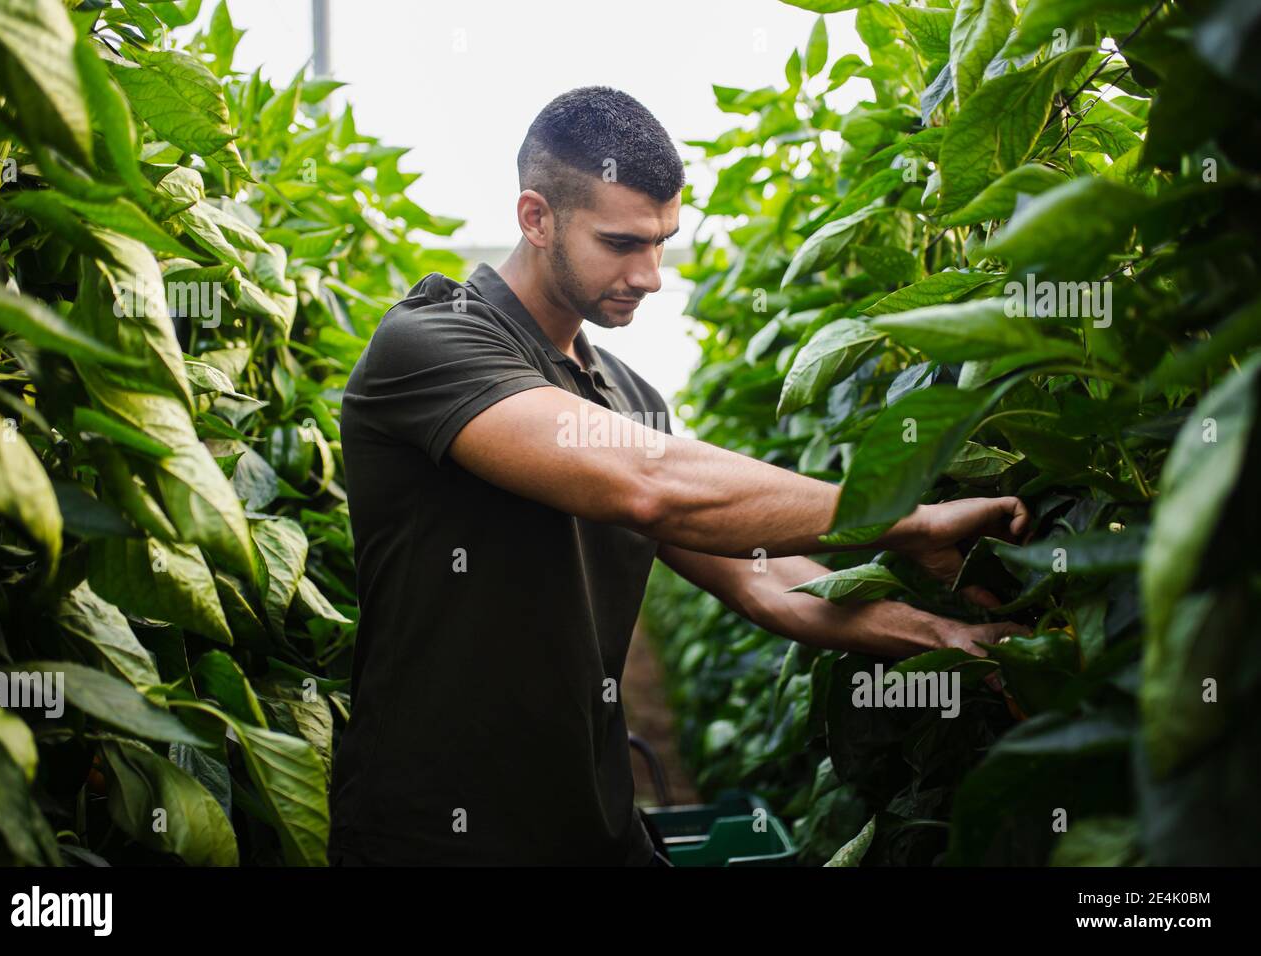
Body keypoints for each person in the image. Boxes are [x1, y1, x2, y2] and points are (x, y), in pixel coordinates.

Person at [328, 86, 1029, 867]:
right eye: (622, 242)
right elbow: (651, 484)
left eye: (662, 241)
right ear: (536, 217)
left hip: (594, 826)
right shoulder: (430, 345)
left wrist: (948, 637)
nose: (652, 274)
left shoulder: (630, 398)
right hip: (437, 835)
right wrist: (910, 517)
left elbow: (766, 581)